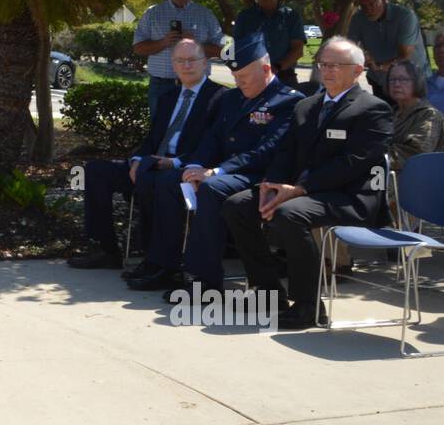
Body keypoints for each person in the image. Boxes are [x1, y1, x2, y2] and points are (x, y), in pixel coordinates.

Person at [222, 37, 394, 329]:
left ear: (358, 71)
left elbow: (352, 164)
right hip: (302, 192)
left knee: (291, 215)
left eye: (336, 65)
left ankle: (308, 305)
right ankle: (268, 294)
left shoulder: (373, 109)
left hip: (350, 196)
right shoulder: (307, 106)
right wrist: (271, 186)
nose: (327, 70)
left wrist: (299, 190)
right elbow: (286, 152)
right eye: (323, 64)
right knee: (237, 205)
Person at [127, 33, 303, 295]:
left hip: (258, 174)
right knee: (170, 181)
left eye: (244, 77)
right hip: (224, 170)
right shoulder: (234, 98)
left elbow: (266, 151)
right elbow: (213, 138)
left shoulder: (288, 100)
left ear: (266, 70)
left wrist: (217, 171)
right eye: (235, 77)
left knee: (211, 189)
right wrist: (194, 166)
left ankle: (205, 281)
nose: (238, 82)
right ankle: (164, 265)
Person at [72, 39, 222, 270]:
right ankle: (106, 250)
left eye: (192, 60)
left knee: (155, 179)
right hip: (151, 163)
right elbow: (152, 140)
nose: (186, 65)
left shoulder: (220, 97)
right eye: (180, 60)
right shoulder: (168, 97)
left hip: (185, 168)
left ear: (205, 63)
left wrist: (174, 162)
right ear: (173, 65)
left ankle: (157, 259)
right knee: (94, 171)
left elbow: (213, 145)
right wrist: (137, 160)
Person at [132, 0, 224, 118]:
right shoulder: (153, 13)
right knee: (160, 134)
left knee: (195, 133)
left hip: (197, 86)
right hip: (162, 86)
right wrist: (163, 42)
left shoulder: (205, 14)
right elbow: (138, 48)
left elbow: (223, 52)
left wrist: (197, 45)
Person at [347, 0, 429, 98]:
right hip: (380, 81)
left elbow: (404, 54)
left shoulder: (405, 16)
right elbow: (350, 46)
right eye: (363, 6)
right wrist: (361, 56)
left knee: (411, 115)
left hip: (410, 79)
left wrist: (380, 67)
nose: (368, 9)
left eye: (372, 4)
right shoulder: (358, 19)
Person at [233, 0, 306, 88]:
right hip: (252, 78)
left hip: (284, 77)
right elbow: (238, 48)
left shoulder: (291, 16)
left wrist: (276, 67)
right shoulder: (244, 17)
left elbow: (298, 50)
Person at [386, 59, 444, 172]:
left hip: (417, 181)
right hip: (382, 176)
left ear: (417, 82)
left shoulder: (430, 115)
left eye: (403, 79)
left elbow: (416, 155)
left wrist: (371, 154)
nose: (396, 84)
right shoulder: (389, 113)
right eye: (392, 79)